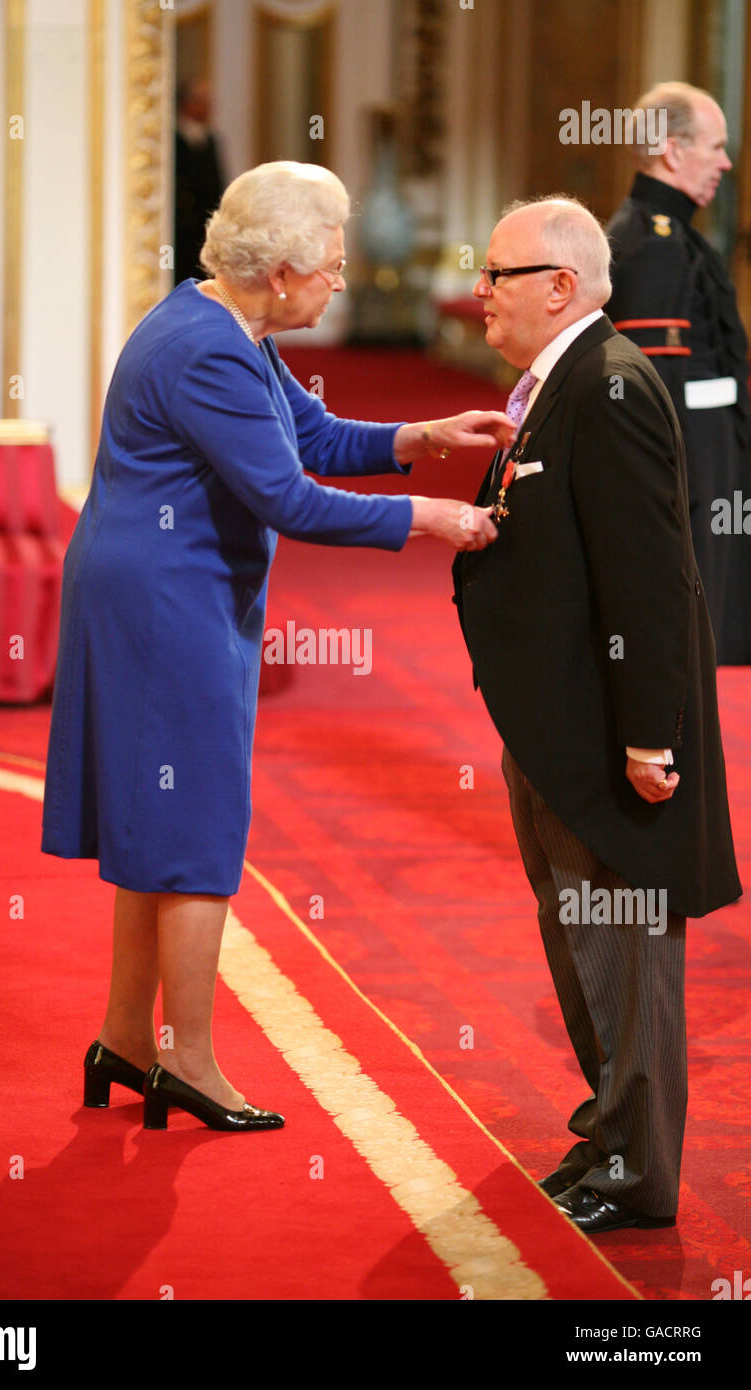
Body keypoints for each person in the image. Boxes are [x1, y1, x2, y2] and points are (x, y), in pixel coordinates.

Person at [42, 160, 513, 1135]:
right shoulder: (209, 349)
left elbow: (313, 435)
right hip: (164, 600)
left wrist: (423, 433)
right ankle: (191, 1059)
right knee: (199, 825)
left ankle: (129, 1040)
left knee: (155, 824)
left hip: (158, 586)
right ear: (282, 270)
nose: (340, 281)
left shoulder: (221, 323)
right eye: (330, 266)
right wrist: (429, 518)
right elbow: (287, 498)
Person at [452, 196, 741, 1232]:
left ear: (558, 287)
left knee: (621, 951)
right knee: (581, 942)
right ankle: (611, 1130)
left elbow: (650, 580)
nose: (479, 293)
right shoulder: (560, 379)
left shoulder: (607, 384)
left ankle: (639, 1170)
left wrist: (648, 734)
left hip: (607, 739)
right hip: (554, 730)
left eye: (497, 275)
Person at [606, 81, 751, 665]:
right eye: (715, 147)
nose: (726, 162)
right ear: (670, 148)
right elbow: (654, 395)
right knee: (679, 647)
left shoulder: (671, 237)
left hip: (706, 468)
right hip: (689, 476)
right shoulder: (653, 248)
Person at [174, 76, 225, 286]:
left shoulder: (211, 139)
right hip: (182, 228)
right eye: (202, 100)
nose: (208, 107)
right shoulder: (174, 139)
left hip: (205, 226)